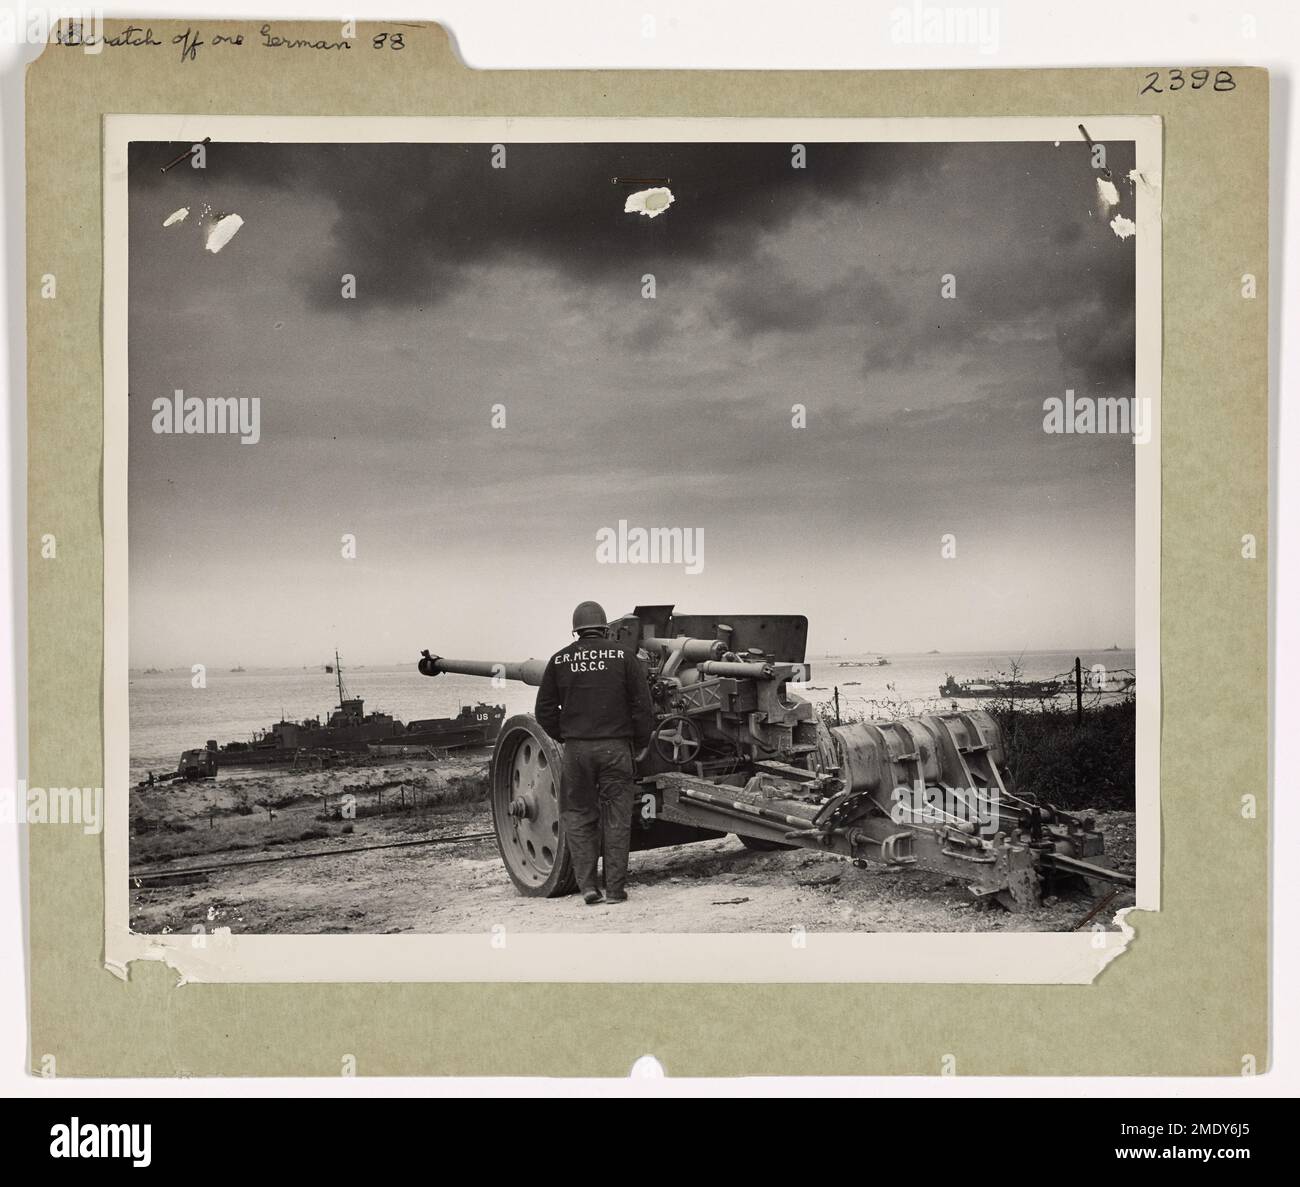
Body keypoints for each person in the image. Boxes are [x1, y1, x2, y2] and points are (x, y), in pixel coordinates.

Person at [534, 600, 654, 905]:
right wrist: (640, 744)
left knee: (578, 816)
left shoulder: (559, 660)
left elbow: (544, 710)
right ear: (604, 628)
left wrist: (566, 736)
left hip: (577, 751)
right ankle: (615, 890)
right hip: (616, 749)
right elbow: (643, 707)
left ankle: (587, 887)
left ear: (576, 631)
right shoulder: (624, 657)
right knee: (617, 818)